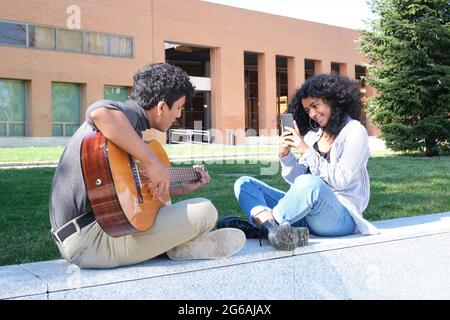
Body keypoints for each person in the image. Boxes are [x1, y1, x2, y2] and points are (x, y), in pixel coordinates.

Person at [49, 63, 245, 269]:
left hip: (97, 232)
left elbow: (121, 191)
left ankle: (180, 244)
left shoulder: (129, 133)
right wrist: (152, 163)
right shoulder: (127, 116)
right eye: (178, 108)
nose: (179, 115)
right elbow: (98, 112)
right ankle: (180, 245)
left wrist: (179, 188)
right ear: (161, 107)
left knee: (178, 206)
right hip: (91, 241)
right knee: (205, 211)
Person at [218, 74, 379, 250]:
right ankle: (273, 230)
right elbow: (298, 182)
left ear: (333, 100)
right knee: (245, 183)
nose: (312, 114)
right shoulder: (314, 135)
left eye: (315, 106)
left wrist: (305, 150)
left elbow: (341, 179)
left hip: (341, 217)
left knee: (309, 182)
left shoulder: (355, 131)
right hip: (309, 214)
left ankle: (264, 228)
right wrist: (285, 155)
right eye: (308, 110)